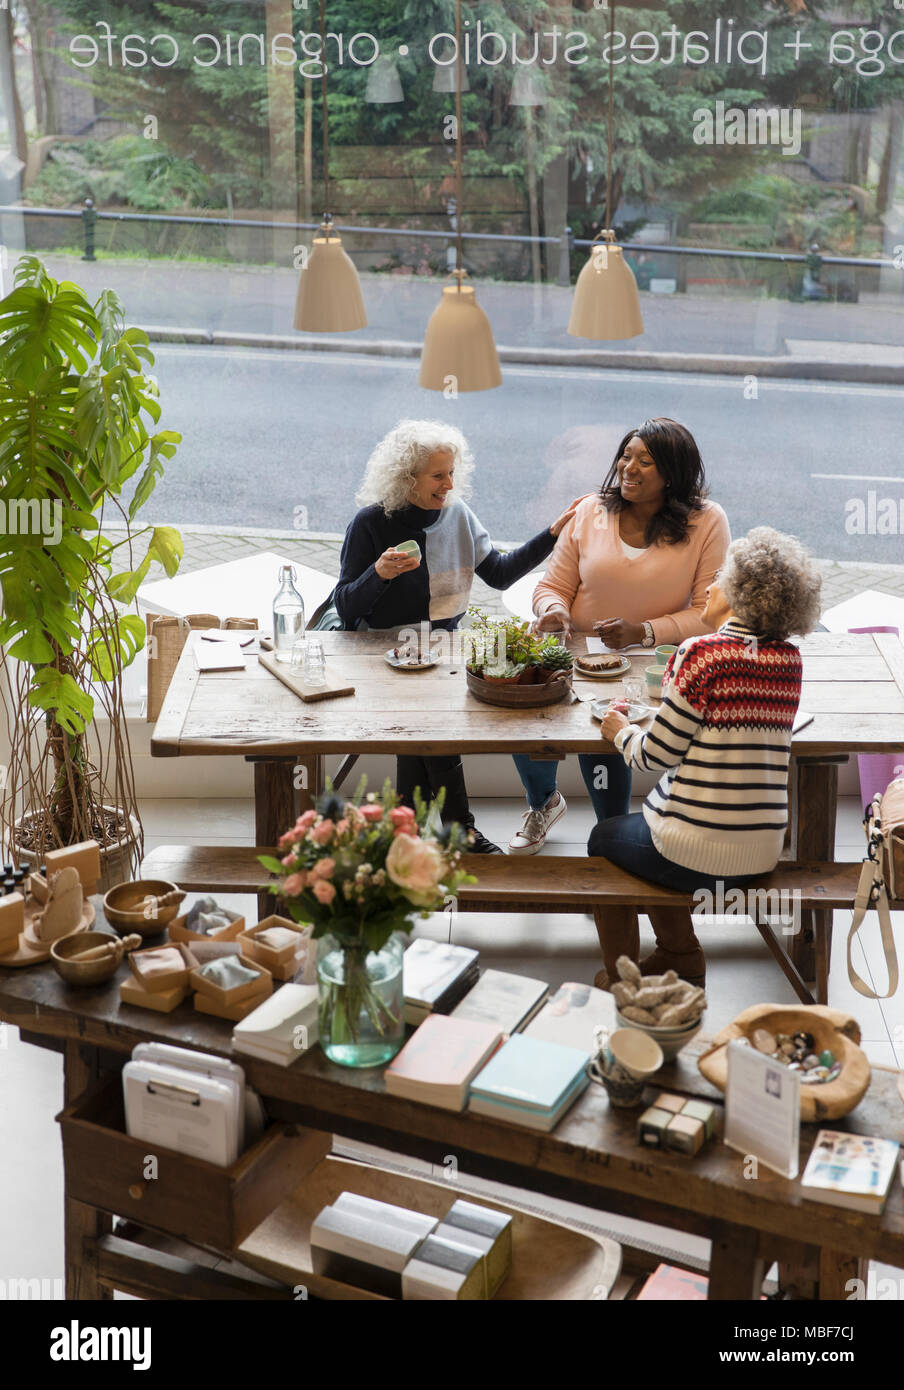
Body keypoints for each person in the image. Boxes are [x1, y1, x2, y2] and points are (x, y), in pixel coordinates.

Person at [589, 526, 822, 989]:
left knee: (605, 838)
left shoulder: (701, 654)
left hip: (694, 852)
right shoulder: (790, 662)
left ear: (738, 595)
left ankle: (626, 979)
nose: (710, 588)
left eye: (719, 579)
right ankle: (681, 955)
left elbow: (652, 758)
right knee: (649, 831)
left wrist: (619, 732)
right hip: (762, 851)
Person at [335, 419, 578, 852]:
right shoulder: (371, 524)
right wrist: (378, 573)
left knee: (422, 734)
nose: (449, 483)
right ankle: (458, 830)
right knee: (428, 731)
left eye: (451, 472)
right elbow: (347, 607)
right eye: (438, 475)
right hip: (383, 652)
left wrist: (553, 535)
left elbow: (500, 574)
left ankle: (409, 832)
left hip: (442, 647)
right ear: (407, 478)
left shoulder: (457, 515)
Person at [507, 418, 730, 855]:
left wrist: (643, 632)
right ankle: (543, 803)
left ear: (674, 473)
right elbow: (551, 587)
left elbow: (710, 613)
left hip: (651, 662)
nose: (629, 468)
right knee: (528, 719)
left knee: (605, 731)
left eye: (645, 461)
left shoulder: (707, 520)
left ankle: (612, 832)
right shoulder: (591, 510)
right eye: (625, 457)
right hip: (577, 653)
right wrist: (553, 612)